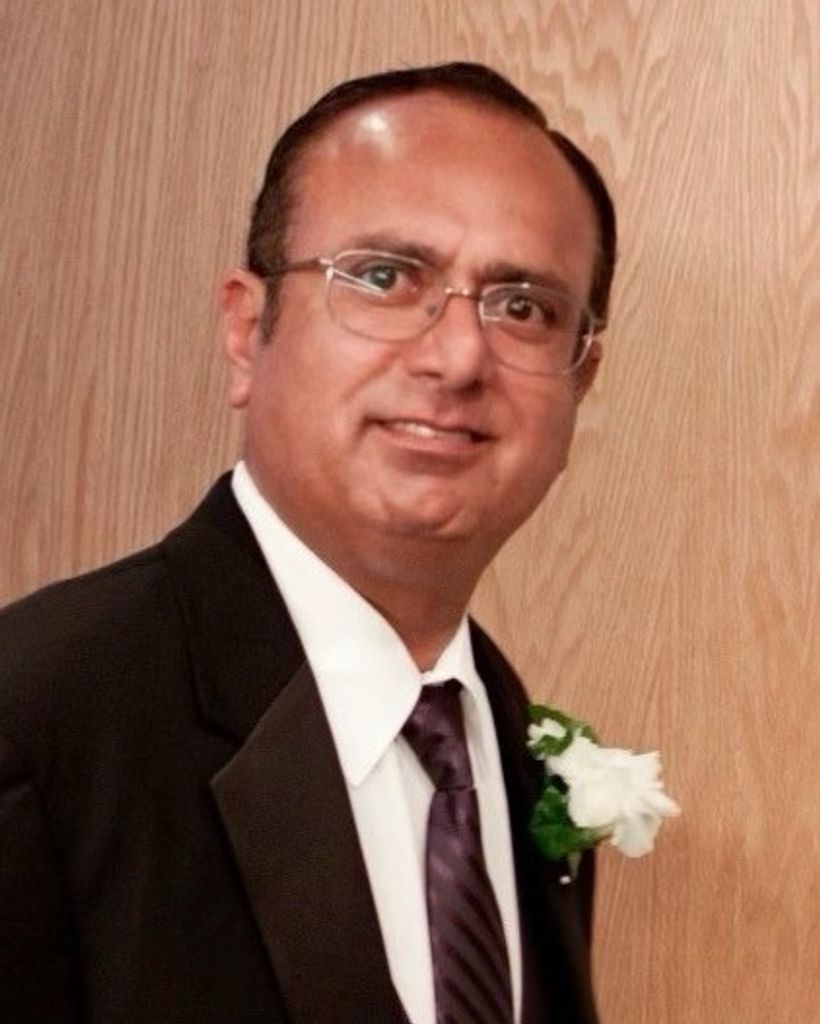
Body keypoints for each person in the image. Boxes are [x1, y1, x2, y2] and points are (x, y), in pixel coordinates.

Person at [0, 62, 616, 1023]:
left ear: (582, 377)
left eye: (523, 307)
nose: (459, 356)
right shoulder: (37, 717)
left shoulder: (508, 746)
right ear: (246, 331)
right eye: (384, 277)